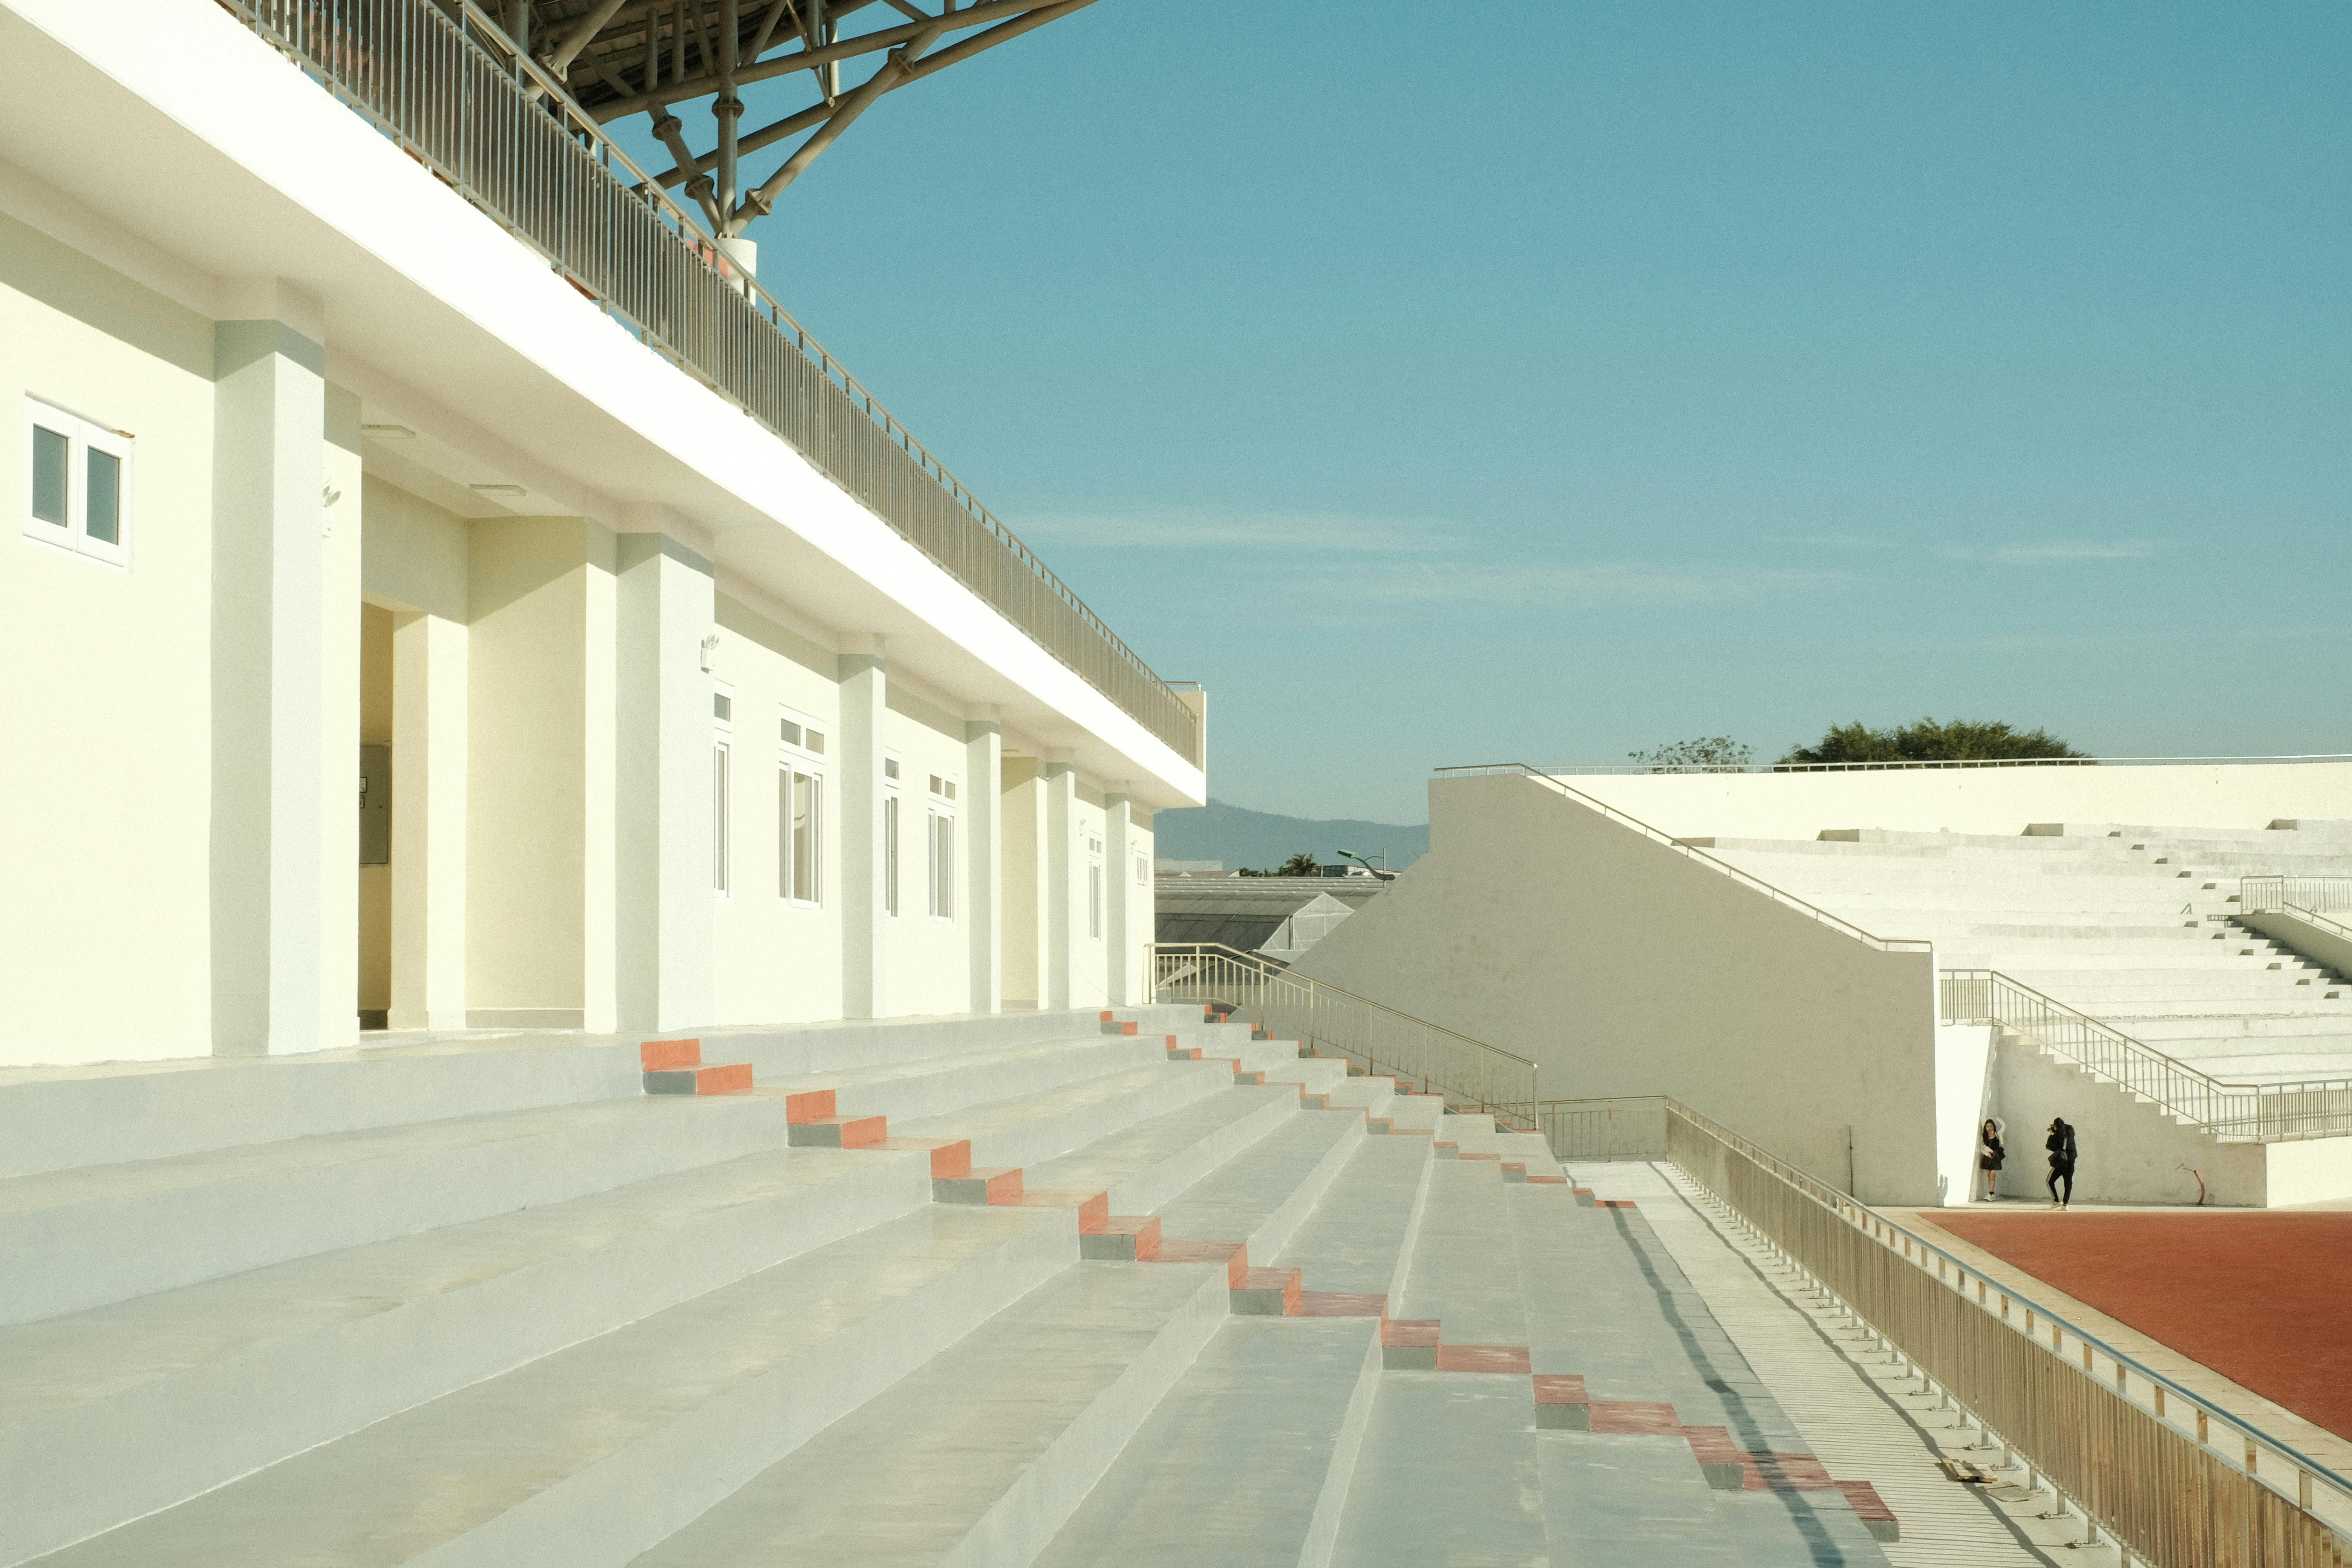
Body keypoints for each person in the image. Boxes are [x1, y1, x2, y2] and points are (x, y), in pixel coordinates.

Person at [2045, 1117, 2077, 1209]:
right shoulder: (2070, 1130)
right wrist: (2055, 1128)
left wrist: (2052, 1134)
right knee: (2068, 1184)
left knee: (2050, 1181)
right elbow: (2065, 1130)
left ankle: (2056, 1201)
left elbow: (2050, 1147)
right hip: (2071, 1162)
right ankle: (2066, 1204)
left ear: (2056, 1127)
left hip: (2061, 1163)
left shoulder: (2056, 1136)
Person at [1977, 1117, 2005, 1200]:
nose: (1990, 1128)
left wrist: (1996, 1118)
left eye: (1991, 1126)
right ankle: (1991, 1193)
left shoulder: (1998, 1134)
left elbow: (2004, 1126)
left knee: (1993, 1175)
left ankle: (1991, 1193)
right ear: (1985, 1128)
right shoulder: (1984, 1137)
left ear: (1994, 1126)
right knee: (1989, 1177)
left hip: (1996, 1157)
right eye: (1988, 1126)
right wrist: (1987, 1154)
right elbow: (1982, 1148)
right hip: (1988, 1158)